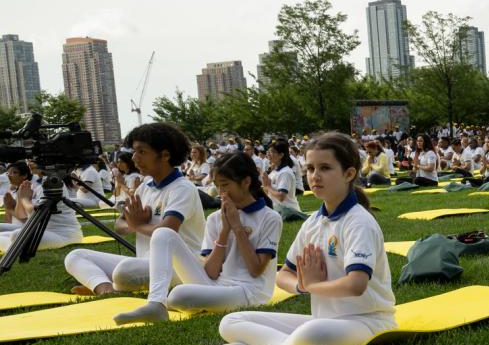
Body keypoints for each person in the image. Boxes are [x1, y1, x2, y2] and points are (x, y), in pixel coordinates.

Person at [217, 133, 395, 345]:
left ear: (349, 174)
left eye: (325, 168)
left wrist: (312, 285)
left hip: (368, 322)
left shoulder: (358, 221)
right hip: (325, 322)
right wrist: (302, 287)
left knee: (312, 333)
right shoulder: (313, 222)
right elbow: (283, 275)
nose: (315, 176)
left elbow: (356, 285)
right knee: (231, 322)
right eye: (310, 168)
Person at [112, 153, 283, 325]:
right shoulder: (215, 218)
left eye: (225, 185)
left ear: (246, 182)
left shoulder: (270, 218)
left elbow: (255, 270)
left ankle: (186, 302)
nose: (221, 192)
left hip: (248, 291)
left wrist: (237, 228)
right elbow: (210, 272)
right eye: (217, 186)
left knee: (178, 295)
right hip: (217, 283)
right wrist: (224, 230)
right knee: (162, 233)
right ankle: (156, 303)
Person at [64, 123, 207, 296]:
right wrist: (134, 224)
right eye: (134, 151)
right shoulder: (145, 185)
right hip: (144, 263)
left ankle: (110, 285)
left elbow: (168, 231)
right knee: (76, 256)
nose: (134, 158)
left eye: (142, 152)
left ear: (165, 155)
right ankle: (107, 290)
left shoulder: (182, 188)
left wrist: (137, 225)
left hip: (180, 267)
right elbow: (120, 225)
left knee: (126, 270)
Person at [0, 161, 84, 252]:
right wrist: (19, 200)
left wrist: (24, 199)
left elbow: (37, 213)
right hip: (42, 231)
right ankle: (11, 246)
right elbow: (22, 215)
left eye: (33, 161)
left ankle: (11, 248)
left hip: (63, 235)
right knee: (11, 235)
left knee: (15, 235)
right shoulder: (37, 183)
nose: (29, 164)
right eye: (28, 161)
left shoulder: (51, 182)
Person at [263, 141, 303, 217]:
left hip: (289, 211)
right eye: (268, 152)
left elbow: (281, 196)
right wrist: (265, 184)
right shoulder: (273, 171)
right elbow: (268, 193)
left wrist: (268, 186)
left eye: (272, 152)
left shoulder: (285, 173)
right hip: (278, 210)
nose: (268, 154)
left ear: (281, 155)